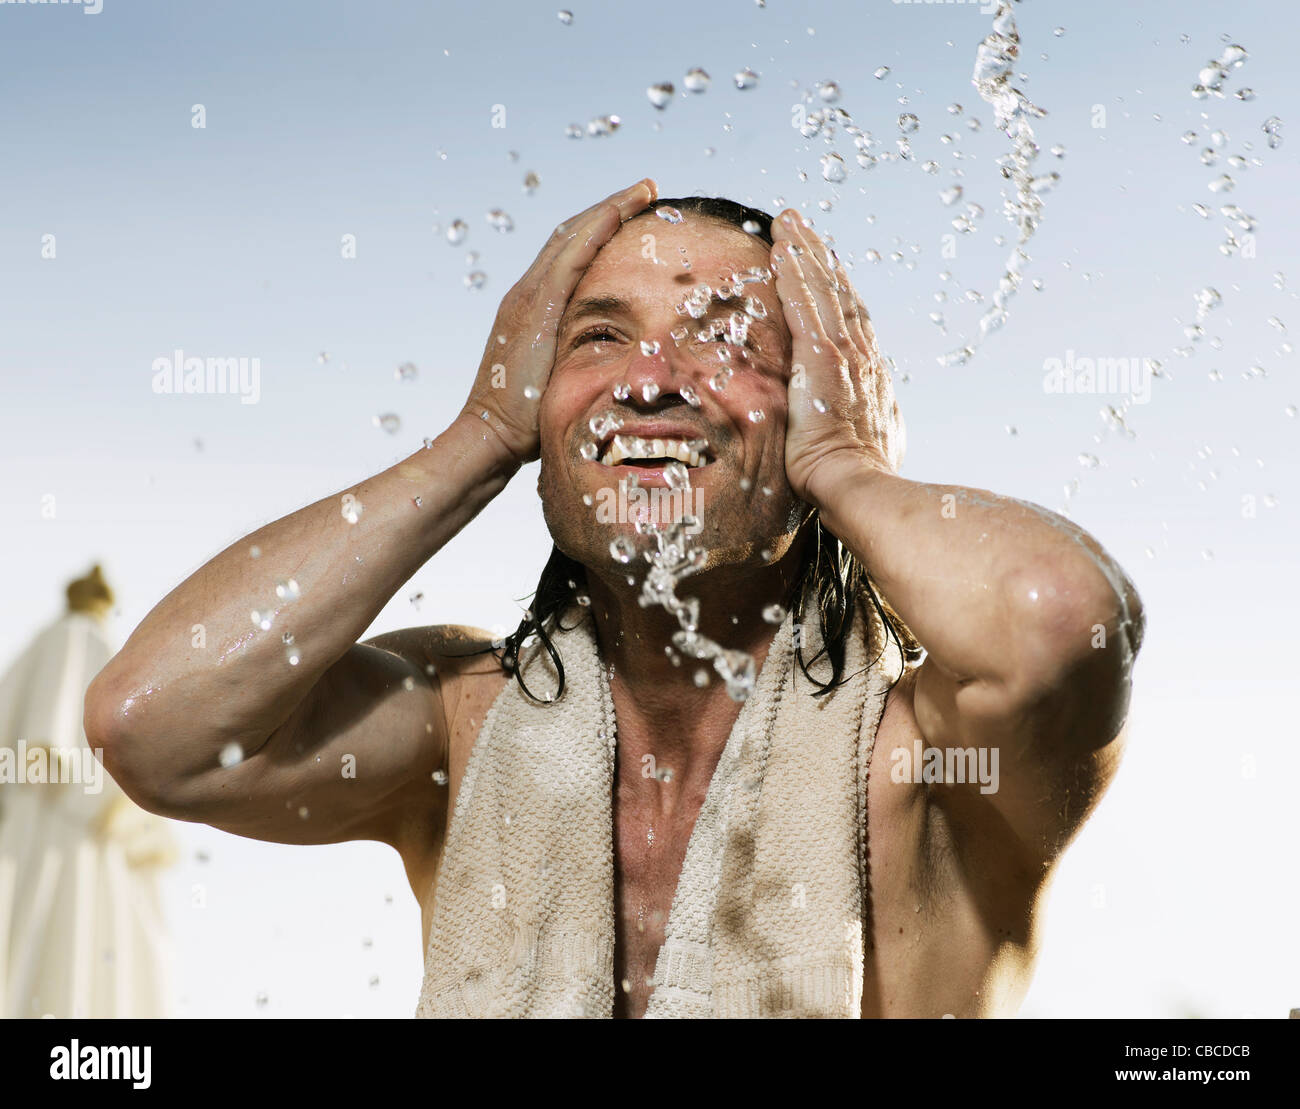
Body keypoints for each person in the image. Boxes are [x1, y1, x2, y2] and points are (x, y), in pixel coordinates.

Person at [87, 179, 1144, 1018]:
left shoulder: (927, 763)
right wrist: (477, 440)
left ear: (822, 405)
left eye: (725, 336)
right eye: (596, 337)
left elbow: (1056, 618)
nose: (649, 378)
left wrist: (851, 465)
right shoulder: (463, 722)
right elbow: (154, 726)